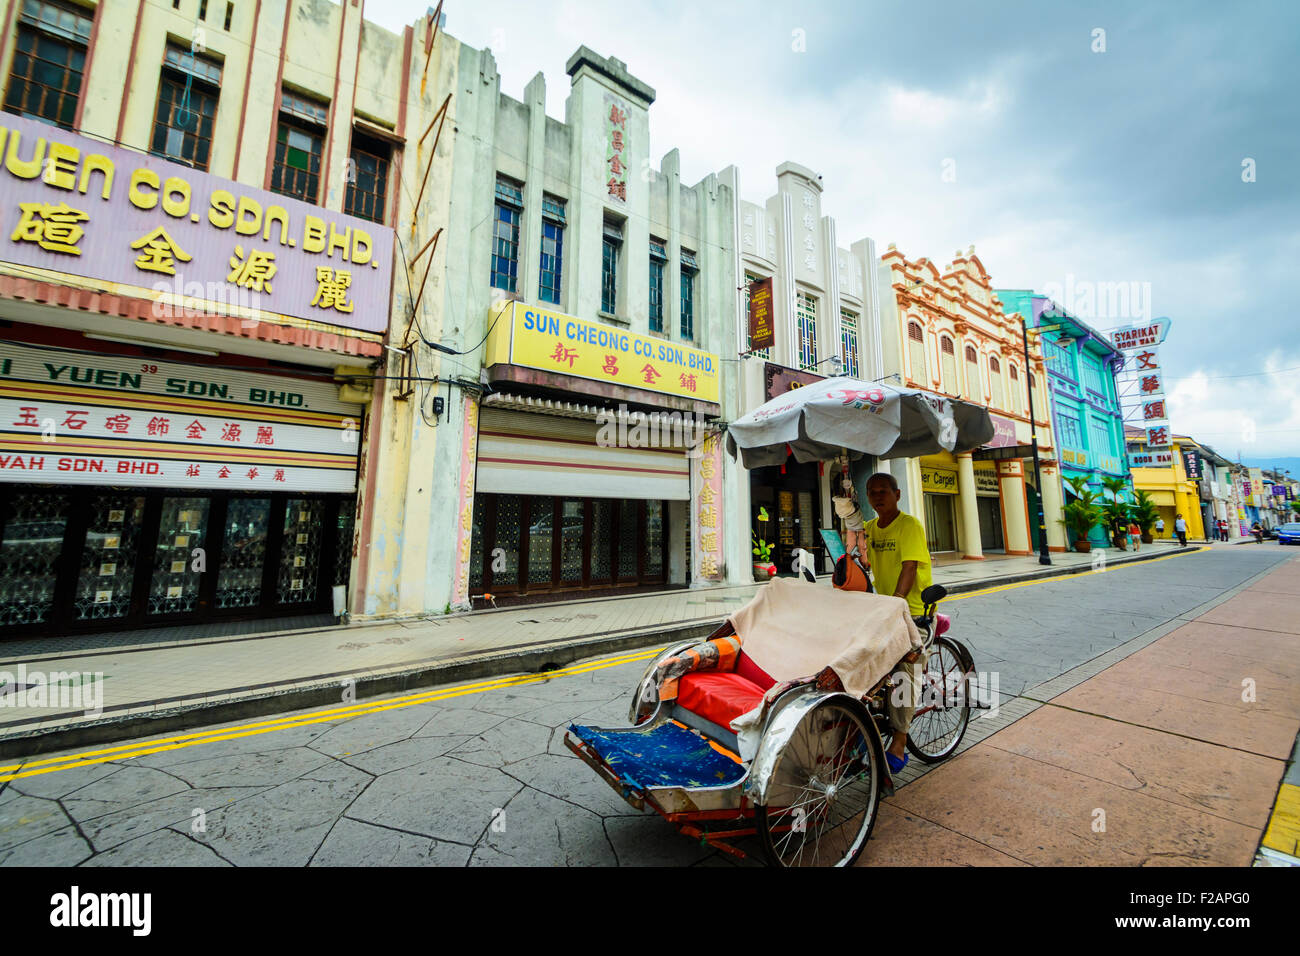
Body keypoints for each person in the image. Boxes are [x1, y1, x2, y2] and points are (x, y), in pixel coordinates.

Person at [863, 472, 933, 776]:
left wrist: (897, 601)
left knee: (905, 667)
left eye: (884, 491)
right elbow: (856, 562)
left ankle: (901, 738)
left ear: (897, 494)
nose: (878, 496)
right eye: (872, 492)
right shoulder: (867, 529)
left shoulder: (910, 526)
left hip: (911, 611)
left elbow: (909, 567)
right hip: (882, 610)